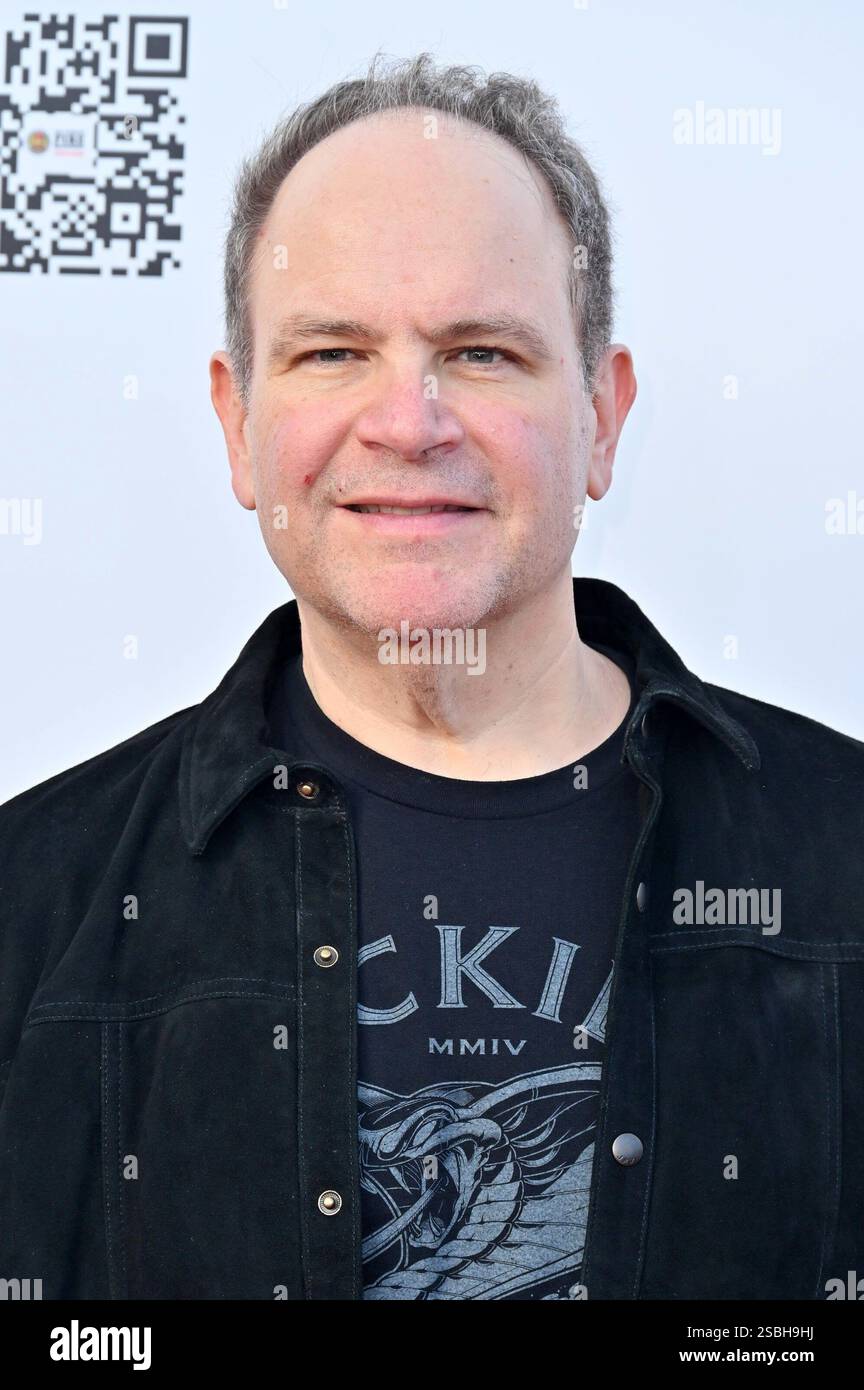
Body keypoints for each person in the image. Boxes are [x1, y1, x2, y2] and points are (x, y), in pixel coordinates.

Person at [1, 52, 861, 1302]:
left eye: (482, 353)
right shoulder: (32, 909)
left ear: (603, 420)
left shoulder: (840, 854)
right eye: (334, 352)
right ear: (238, 425)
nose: (409, 421)